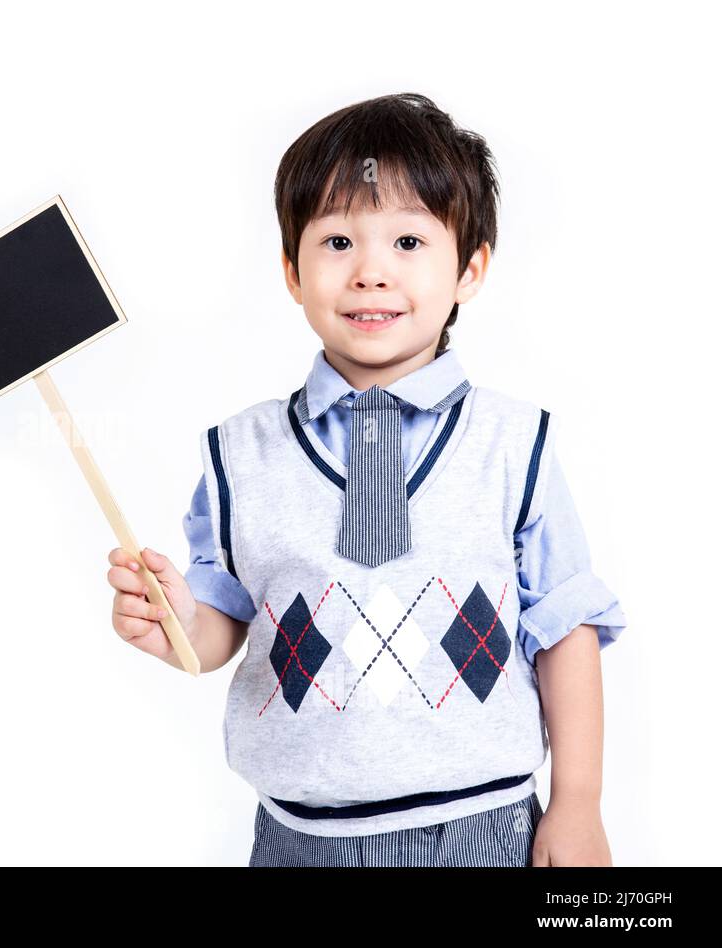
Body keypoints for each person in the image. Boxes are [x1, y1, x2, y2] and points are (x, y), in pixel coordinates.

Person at [106, 93, 627, 867]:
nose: (371, 272)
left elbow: (564, 626)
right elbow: (224, 622)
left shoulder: (513, 443)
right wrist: (175, 620)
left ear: (470, 269)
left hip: (480, 829)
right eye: (339, 240)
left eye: (409, 240)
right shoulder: (240, 453)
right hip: (296, 837)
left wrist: (578, 803)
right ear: (292, 272)